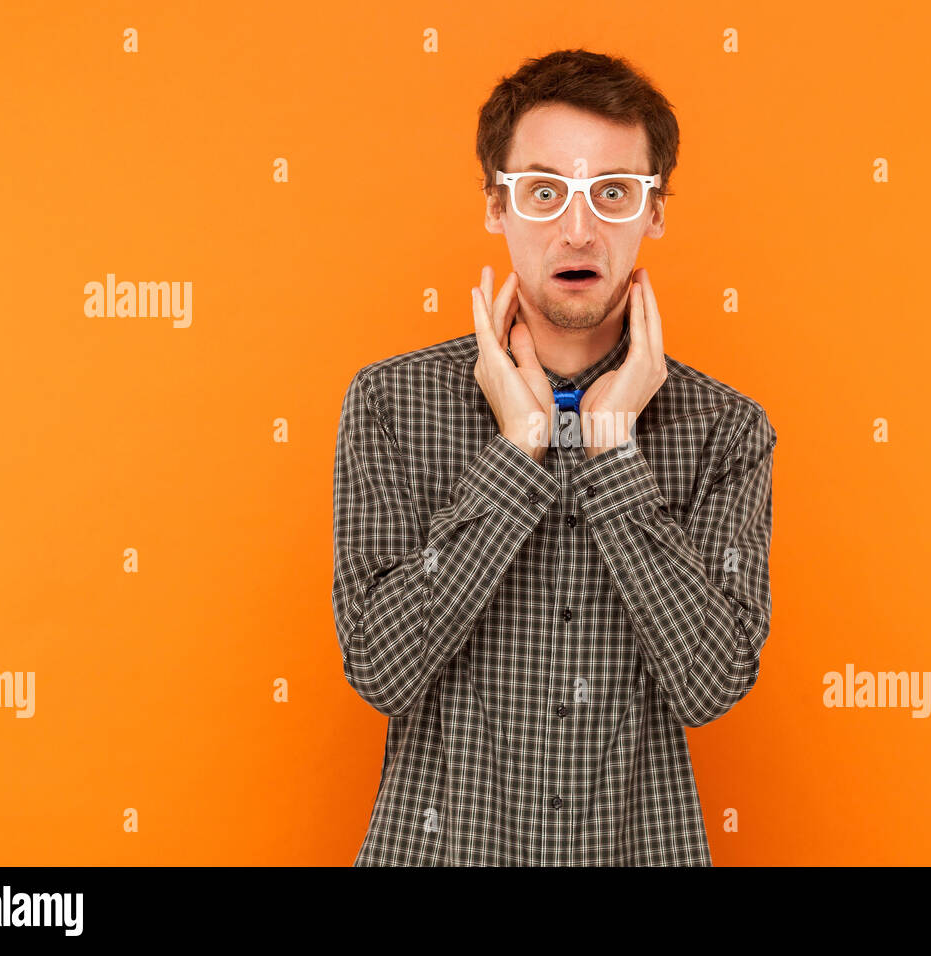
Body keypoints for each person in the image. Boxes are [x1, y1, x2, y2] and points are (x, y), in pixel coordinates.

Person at [332, 48, 777, 866]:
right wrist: (513, 452)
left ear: (656, 213)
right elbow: (381, 670)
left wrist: (612, 452)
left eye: (614, 193)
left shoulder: (727, 431)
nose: (578, 228)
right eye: (544, 192)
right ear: (498, 207)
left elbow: (712, 685)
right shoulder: (390, 405)